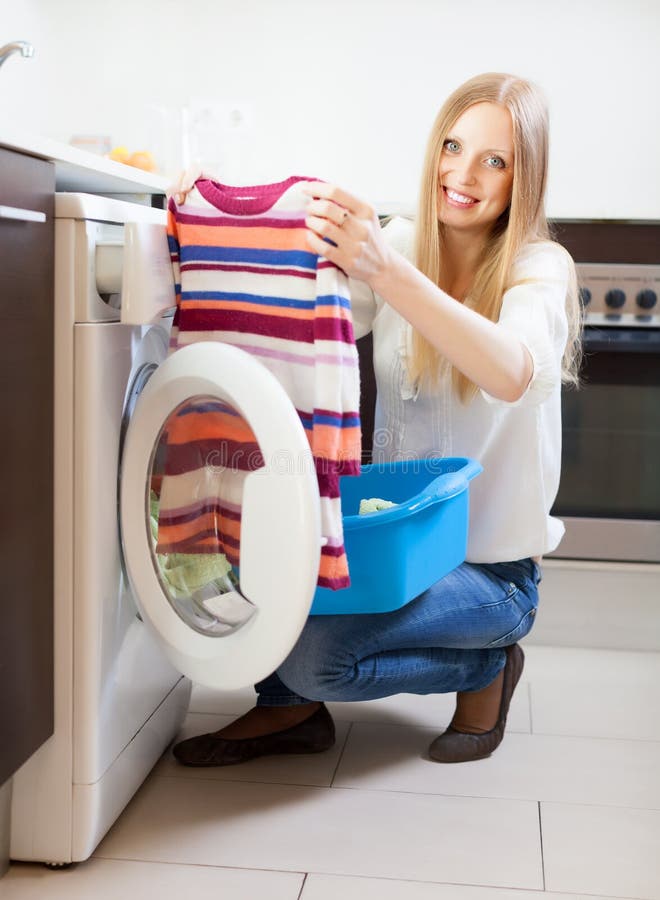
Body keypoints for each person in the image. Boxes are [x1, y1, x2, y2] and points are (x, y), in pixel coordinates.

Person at [169, 71, 581, 766]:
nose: (463, 174)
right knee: (268, 585)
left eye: (495, 161)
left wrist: (389, 270)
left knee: (313, 658)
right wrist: (214, 219)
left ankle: (485, 666)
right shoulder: (405, 239)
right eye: (453, 146)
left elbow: (515, 372)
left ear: (524, 179)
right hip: (393, 545)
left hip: (490, 573)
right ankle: (289, 713)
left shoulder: (538, 267)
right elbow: (298, 313)